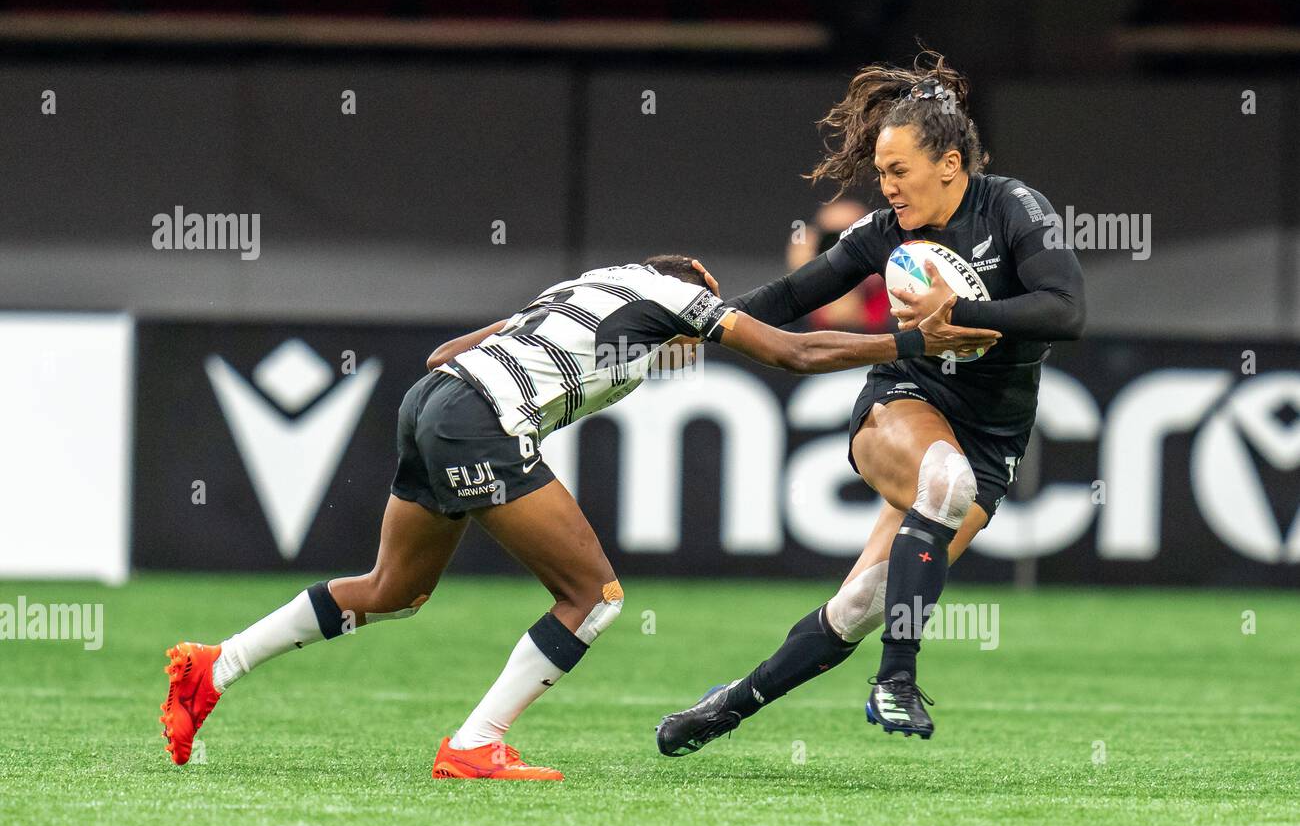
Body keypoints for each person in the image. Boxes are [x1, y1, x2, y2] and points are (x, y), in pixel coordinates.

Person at [159, 255, 997, 780]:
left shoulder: (587, 286)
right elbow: (796, 352)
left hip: (432, 403)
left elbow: (445, 353)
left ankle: (213, 667)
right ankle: (476, 742)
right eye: (705, 315)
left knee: (395, 589)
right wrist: (918, 345)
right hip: (480, 419)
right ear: (692, 286)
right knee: (593, 595)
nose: (701, 334)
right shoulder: (677, 297)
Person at [657, 50, 1085, 756]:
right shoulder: (886, 232)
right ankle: (899, 678)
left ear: (949, 163)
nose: (885, 187)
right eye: (880, 173)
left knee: (859, 607)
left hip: (993, 432)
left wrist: (967, 309)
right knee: (944, 482)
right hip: (905, 400)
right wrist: (699, 319)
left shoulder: (1011, 208)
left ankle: (724, 708)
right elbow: (793, 297)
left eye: (898, 172)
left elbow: (1066, 309)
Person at [787, 198, 893, 333]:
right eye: (831, 241)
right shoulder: (792, 312)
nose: (842, 252)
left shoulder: (897, 301)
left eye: (854, 238)